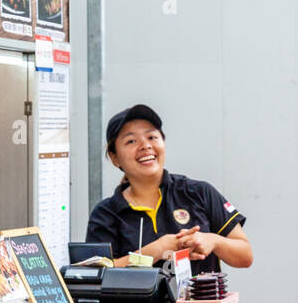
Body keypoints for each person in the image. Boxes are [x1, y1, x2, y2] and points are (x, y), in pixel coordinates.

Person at [85, 104, 253, 273]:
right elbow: (95, 274)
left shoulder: (199, 192)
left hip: (200, 300)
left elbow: (245, 256)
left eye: (152, 137)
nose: (145, 145)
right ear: (115, 158)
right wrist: (156, 251)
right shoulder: (106, 214)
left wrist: (214, 241)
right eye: (131, 141)